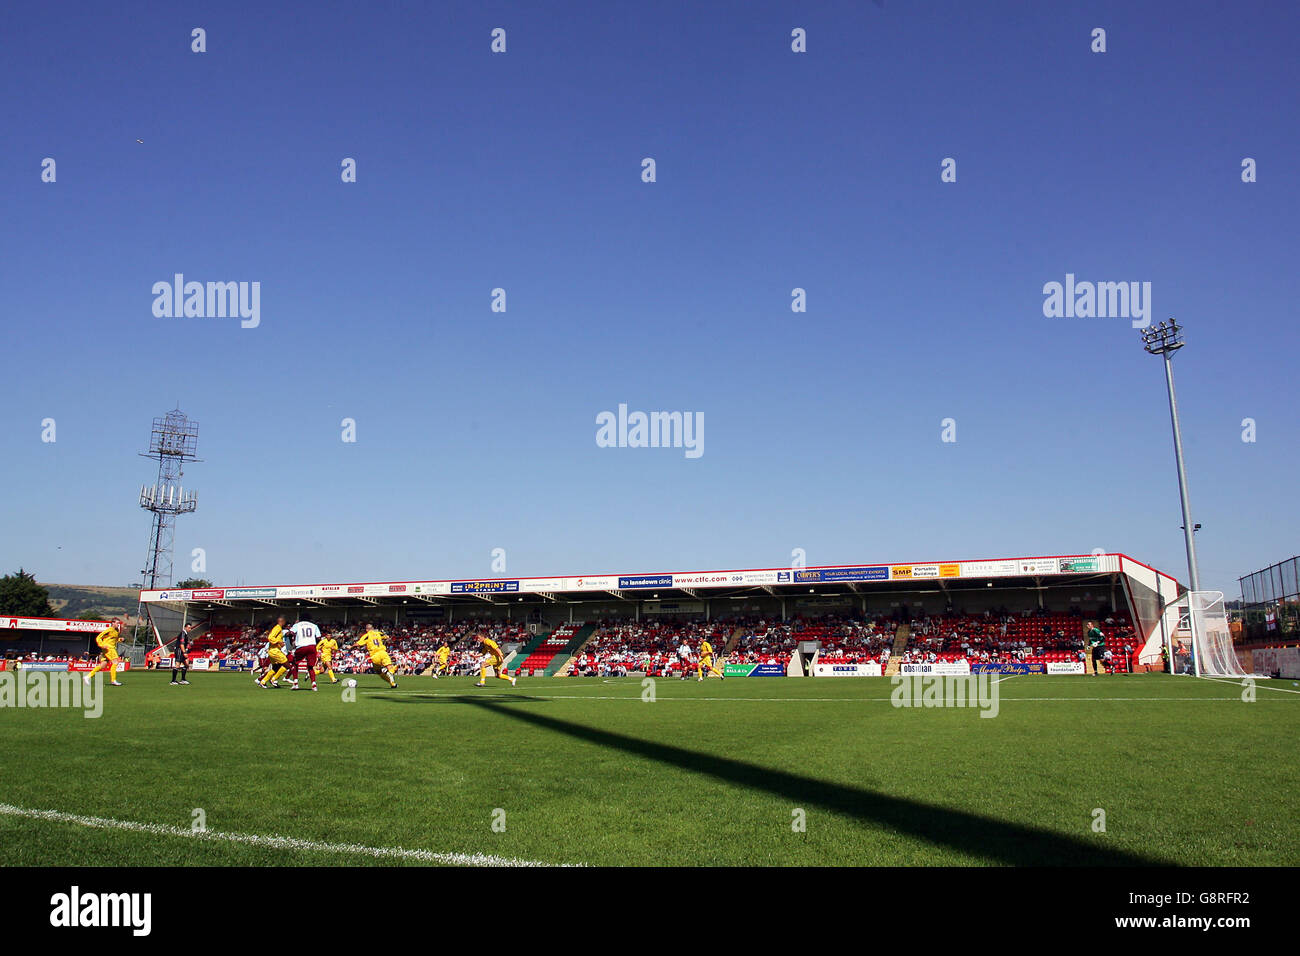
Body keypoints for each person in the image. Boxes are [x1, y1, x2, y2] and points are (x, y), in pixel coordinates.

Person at [355, 623, 399, 688]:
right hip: (383, 652)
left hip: (374, 655)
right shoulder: (378, 633)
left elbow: (358, 644)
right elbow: (387, 637)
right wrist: (386, 636)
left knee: (378, 671)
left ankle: (392, 684)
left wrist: (350, 646)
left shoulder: (366, 635)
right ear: (372, 628)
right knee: (389, 667)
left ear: (367, 630)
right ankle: (391, 673)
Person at [85, 619, 125, 686]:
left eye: (119, 623)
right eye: (117, 623)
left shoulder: (117, 631)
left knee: (103, 664)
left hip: (110, 647)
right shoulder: (109, 630)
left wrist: (120, 639)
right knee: (115, 662)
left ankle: (87, 677)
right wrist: (102, 645)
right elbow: (98, 637)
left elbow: (113, 639)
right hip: (108, 648)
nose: (118, 624)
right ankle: (113, 680)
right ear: (113, 623)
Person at [286, 618, 321, 691]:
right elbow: (318, 637)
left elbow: (291, 633)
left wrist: (291, 642)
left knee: (295, 663)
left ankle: (295, 683)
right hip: (312, 646)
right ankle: (314, 685)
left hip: (301, 646)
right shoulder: (314, 625)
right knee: (310, 667)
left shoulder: (297, 625)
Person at [257, 617, 291, 688]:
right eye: (284, 622)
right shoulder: (277, 628)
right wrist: (279, 642)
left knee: (275, 668)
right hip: (275, 651)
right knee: (287, 665)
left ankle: (263, 682)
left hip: (273, 651)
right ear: (282, 621)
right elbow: (270, 637)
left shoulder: (278, 628)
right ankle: (274, 679)